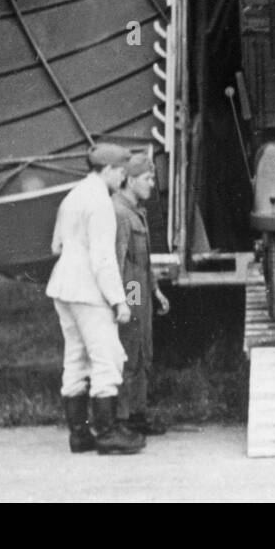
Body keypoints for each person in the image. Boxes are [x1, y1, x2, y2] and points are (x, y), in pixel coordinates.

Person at [47, 143, 144, 455]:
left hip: (63, 285)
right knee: (107, 357)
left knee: (75, 358)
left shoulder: (72, 196)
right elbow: (103, 259)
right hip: (88, 289)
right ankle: (107, 432)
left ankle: (79, 435)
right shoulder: (101, 203)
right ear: (108, 170)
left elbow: (56, 247)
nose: (122, 178)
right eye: (120, 172)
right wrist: (119, 301)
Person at [113, 152, 170, 436]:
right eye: (147, 179)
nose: (151, 184)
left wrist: (155, 290)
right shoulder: (120, 213)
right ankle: (123, 417)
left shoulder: (136, 210)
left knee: (143, 349)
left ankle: (138, 414)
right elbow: (117, 260)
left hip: (141, 287)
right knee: (129, 350)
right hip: (129, 288)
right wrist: (121, 300)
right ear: (131, 180)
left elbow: (144, 260)